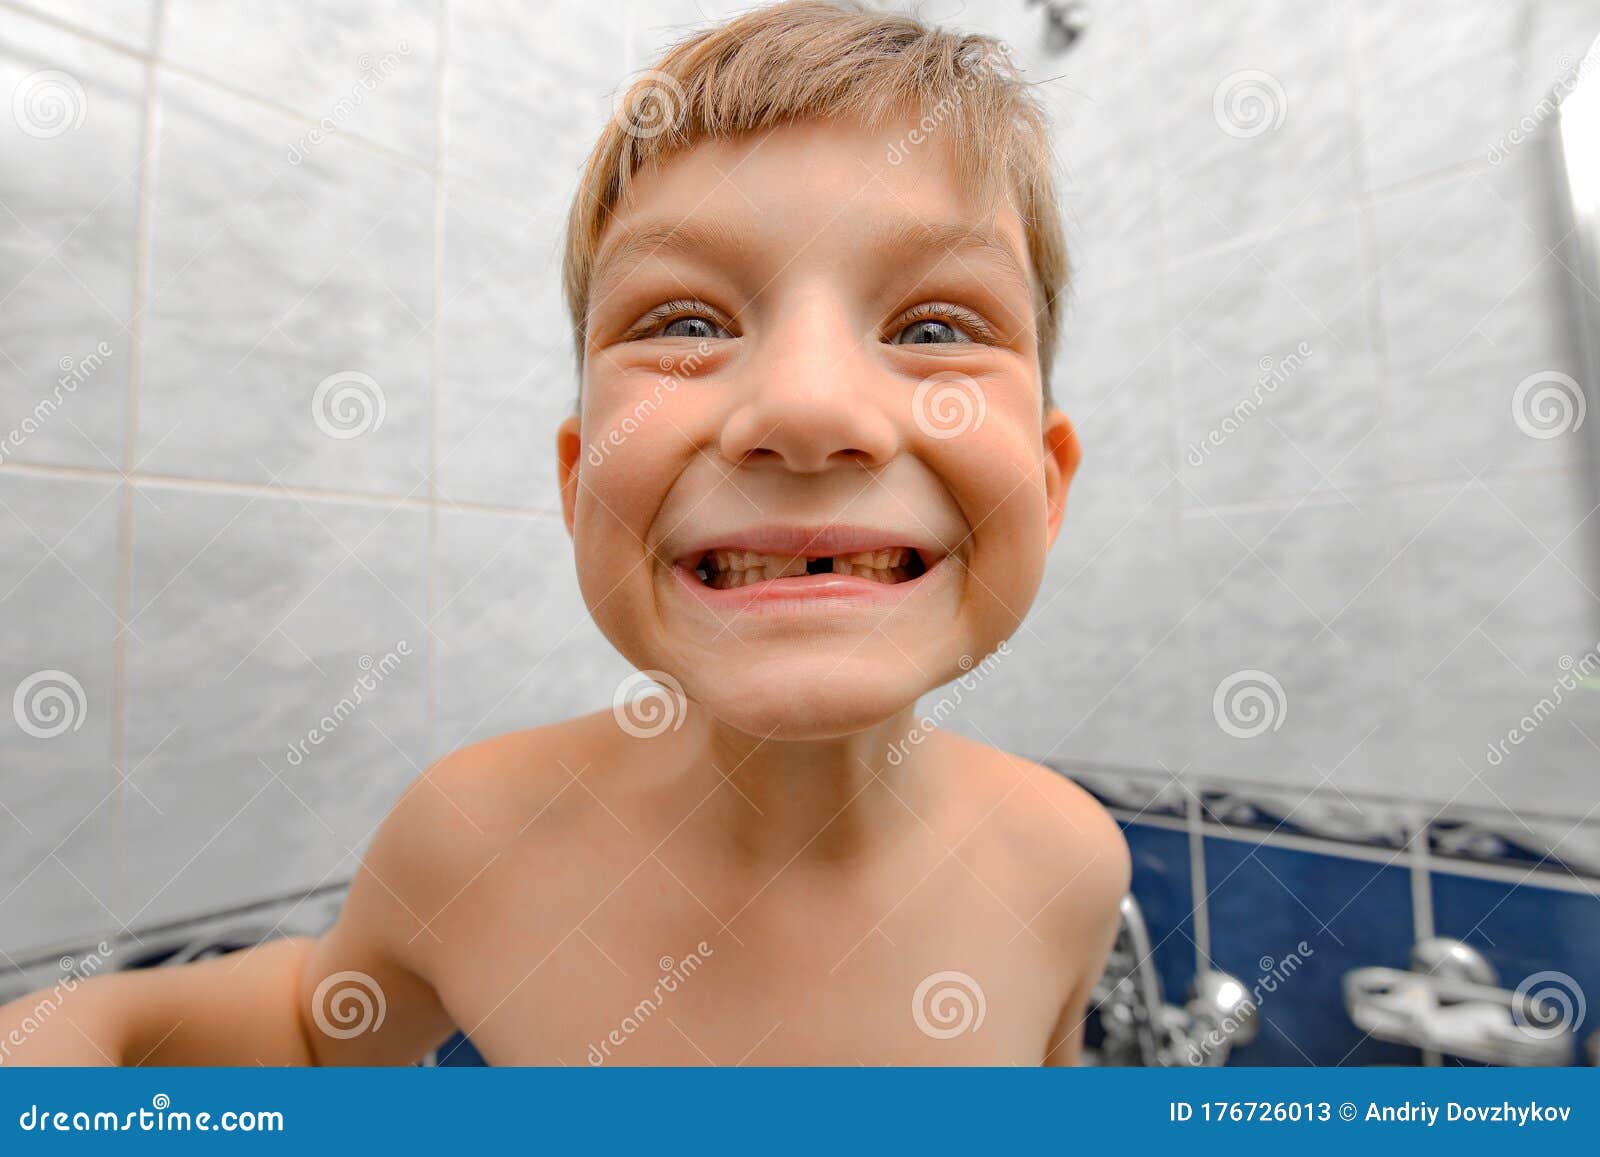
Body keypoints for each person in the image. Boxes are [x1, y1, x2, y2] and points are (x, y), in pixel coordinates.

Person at [1, 0, 1128, 1066]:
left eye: (932, 325)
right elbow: (307, 1028)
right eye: (686, 321)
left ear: (1045, 483)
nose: (805, 408)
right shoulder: (473, 841)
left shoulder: (1068, 864)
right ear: (579, 479)